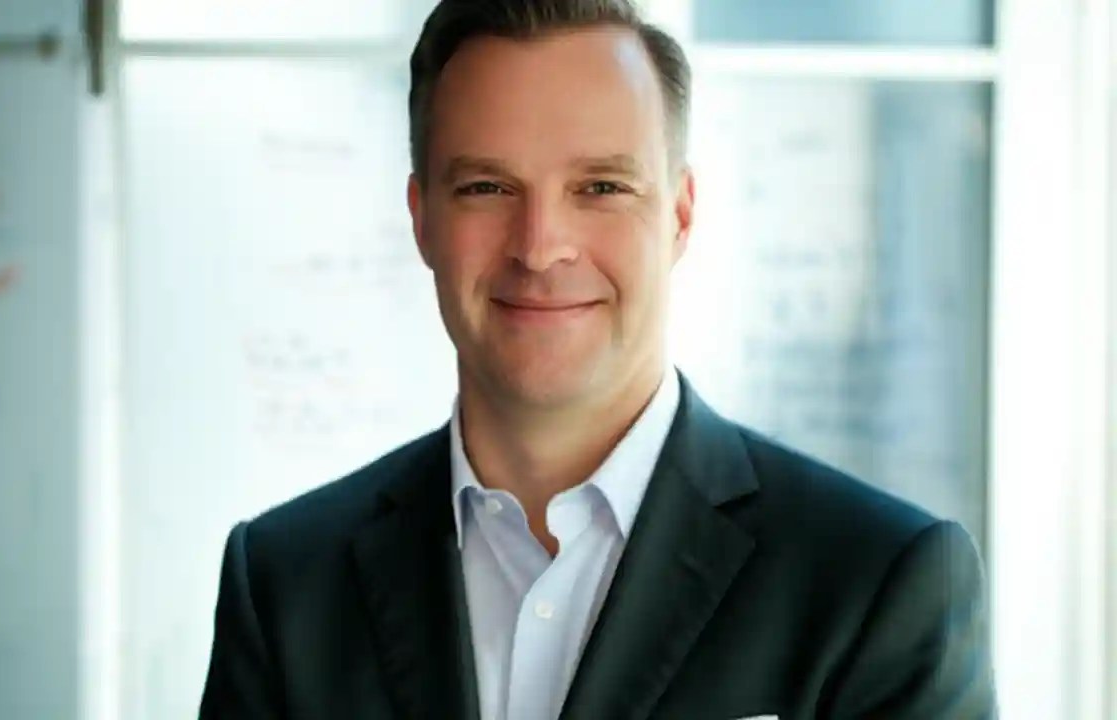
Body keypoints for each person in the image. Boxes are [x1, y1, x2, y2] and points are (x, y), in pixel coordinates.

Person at [198, 1, 997, 718]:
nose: (541, 247)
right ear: (422, 220)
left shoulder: (877, 584)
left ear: (679, 216)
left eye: (602, 188)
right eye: (485, 187)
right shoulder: (283, 585)